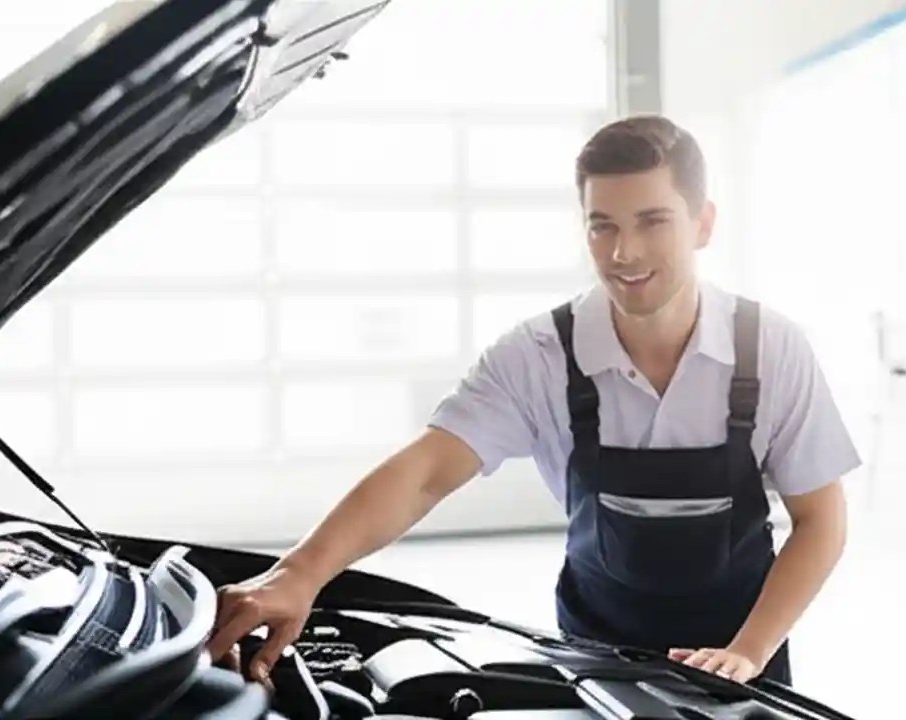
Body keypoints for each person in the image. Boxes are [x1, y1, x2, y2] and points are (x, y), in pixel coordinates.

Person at [204, 114, 860, 687]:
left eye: (651, 222)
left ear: (703, 223)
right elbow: (427, 472)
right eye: (601, 226)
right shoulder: (540, 354)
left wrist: (747, 652)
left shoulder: (771, 348)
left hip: (743, 660)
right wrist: (300, 571)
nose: (623, 252)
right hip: (595, 661)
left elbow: (820, 520)